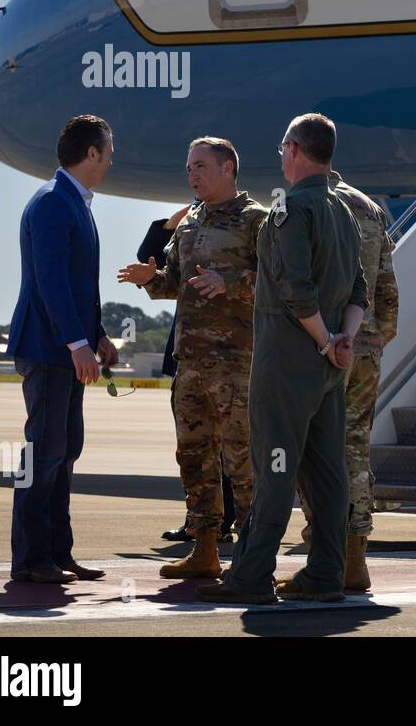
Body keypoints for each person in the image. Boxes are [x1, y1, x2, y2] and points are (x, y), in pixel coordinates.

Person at [199, 113, 369, 604]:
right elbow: (359, 288)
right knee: (327, 472)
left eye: (282, 147)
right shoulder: (343, 211)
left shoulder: (289, 211)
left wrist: (322, 340)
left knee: (274, 466)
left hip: (288, 363)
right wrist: (343, 341)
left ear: (294, 149)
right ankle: (325, 574)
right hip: (329, 367)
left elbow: (297, 292)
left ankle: (252, 575)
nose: (280, 155)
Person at [118, 139, 265, 579]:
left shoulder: (256, 220)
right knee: (194, 458)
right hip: (191, 364)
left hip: (237, 364)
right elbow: (176, 283)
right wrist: (152, 279)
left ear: (227, 168)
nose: (192, 175)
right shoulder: (189, 223)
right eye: (188, 168)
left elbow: (280, 284)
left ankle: (253, 556)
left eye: (200, 167)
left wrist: (231, 281)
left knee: (242, 461)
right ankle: (204, 548)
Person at [7, 115, 117, 584]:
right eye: (109, 150)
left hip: (66, 347)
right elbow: (51, 282)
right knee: (45, 452)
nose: (112, 158)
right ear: (91, 153)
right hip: (49, 348)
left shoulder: (74, 201)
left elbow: (76, 283)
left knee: (64, 450)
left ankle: (56, 553)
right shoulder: (55, 202)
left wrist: (98, 336)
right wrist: (76, 342)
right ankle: (32, 560)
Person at [297, 171, 398, 591]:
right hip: (364, 346)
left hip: (321, 345)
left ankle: (325, 554)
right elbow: (388, 288)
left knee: (311, 450)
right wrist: (375, 339)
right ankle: (356, 556)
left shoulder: (308, 206)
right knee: (354, 446)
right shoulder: (371, 208)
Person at [137, 205, 240, 545]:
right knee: (197, 446)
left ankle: (228, 522)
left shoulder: (244, 226)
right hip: (191, 350)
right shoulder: (190, 229)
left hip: (230, 354)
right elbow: (148, 258)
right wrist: (177, 219)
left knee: (228, 446)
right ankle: (202, 522)